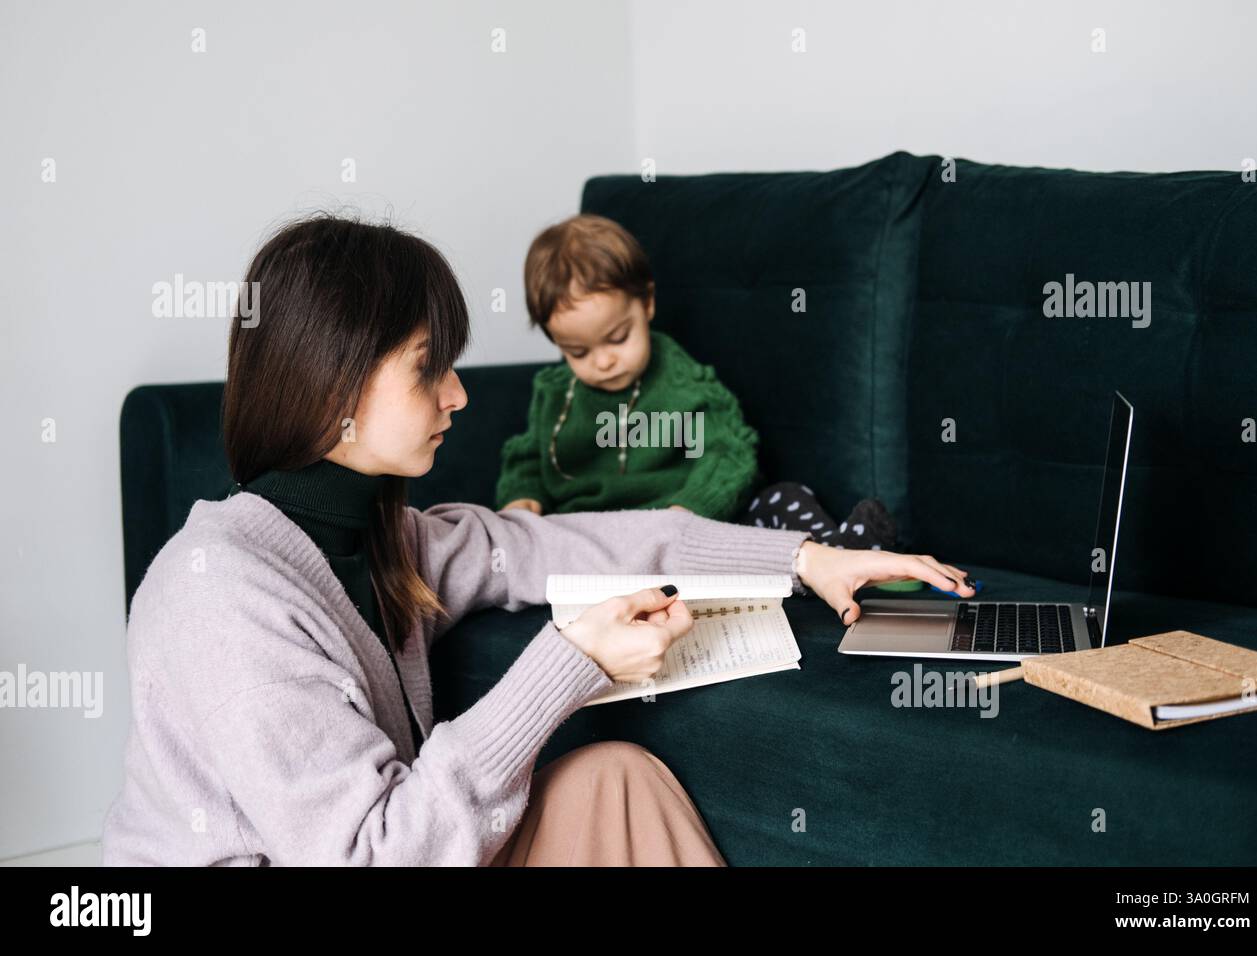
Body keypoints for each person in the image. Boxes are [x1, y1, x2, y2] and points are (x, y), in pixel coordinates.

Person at [100, 213, 974, 867]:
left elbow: (585, 545)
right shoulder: (221, 599)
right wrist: (569, 659)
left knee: (618, 782)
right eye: (427, 368)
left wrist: (806, 558)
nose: (459, 396)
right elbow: (372, 854)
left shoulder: (388, 541)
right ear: (337, 390)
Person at [497, 214, 903, 550]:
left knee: (784, 497)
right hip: (589, 541)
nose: (603, 361)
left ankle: (840, 550)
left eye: (618, 337)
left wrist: (687, 511)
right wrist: (522, 501)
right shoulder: (554, 393)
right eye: (578, 351)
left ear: (647, 303)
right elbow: (527, 459)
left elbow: (732, 452)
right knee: (514, 541)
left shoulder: (682, 383)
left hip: (684, 529)